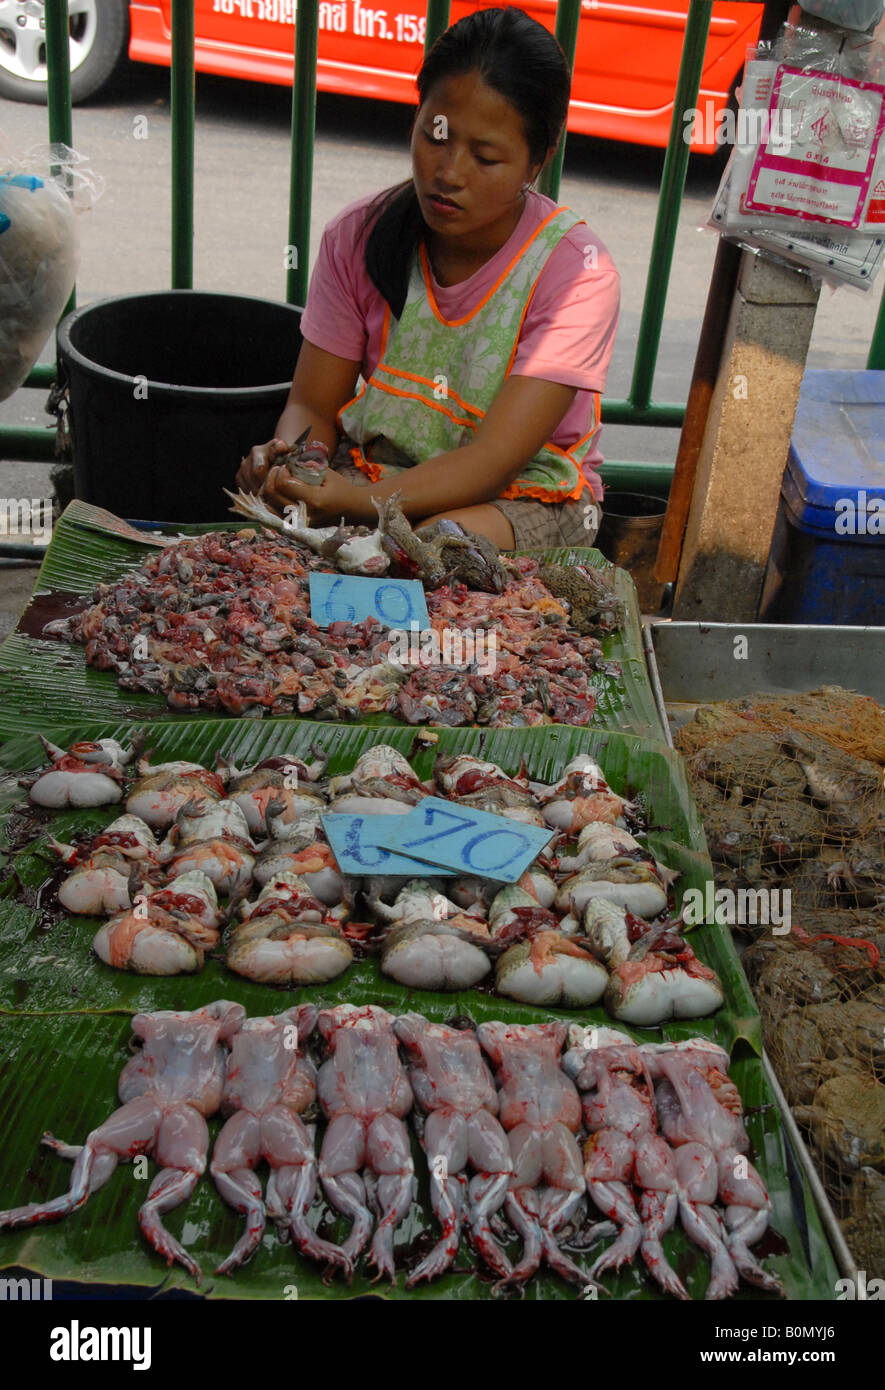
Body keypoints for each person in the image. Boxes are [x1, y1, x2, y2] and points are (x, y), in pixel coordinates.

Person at [236, 5, 619, 549]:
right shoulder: (357, 235)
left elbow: (491, 462)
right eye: (435, 135)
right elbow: (313, 407)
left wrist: (349, 503)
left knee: (436, 549)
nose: (448, 173)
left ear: (538, 161)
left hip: (518, 494)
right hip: (378, 475)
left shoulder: (578, 274)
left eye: (485, 158)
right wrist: (296, 465)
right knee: (282, 557)